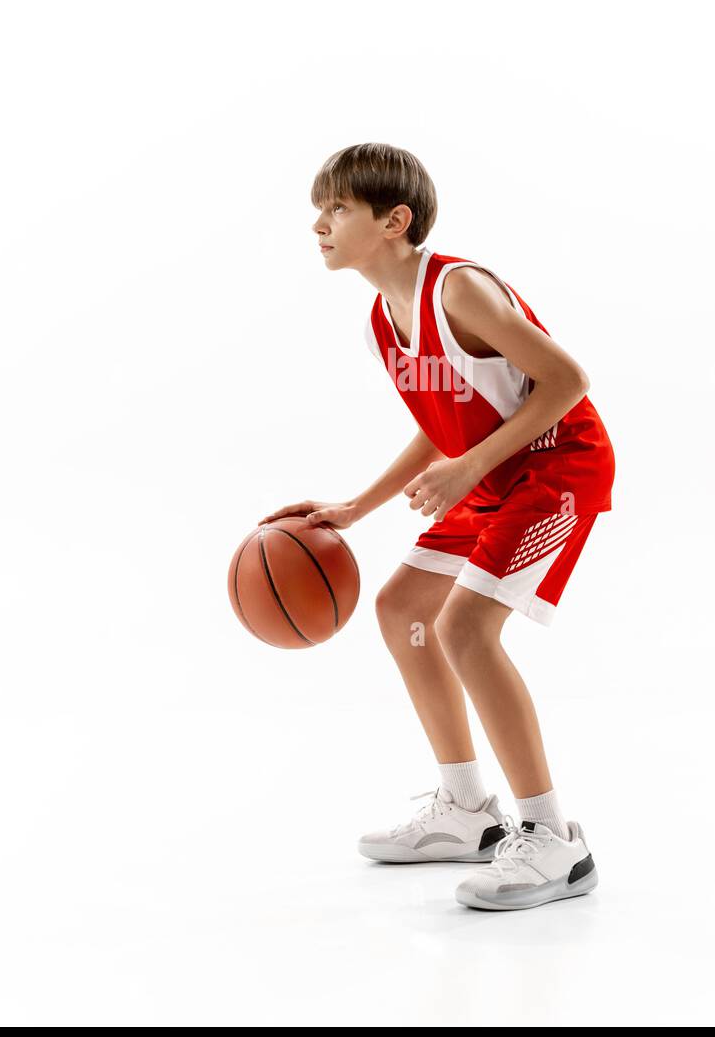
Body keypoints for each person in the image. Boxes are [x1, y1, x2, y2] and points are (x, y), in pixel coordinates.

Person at [260, 143, 615, 911]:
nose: (318, 223)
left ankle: (553, 838)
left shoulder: (458, 290)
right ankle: (464, 811)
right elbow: (442, 421)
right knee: (401, 609)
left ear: (395, 220)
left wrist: (464, 468)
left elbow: (566, 381)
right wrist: (357, 507)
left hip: (557, 468)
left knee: (465, 630)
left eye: (337, 209)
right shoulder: (382, 322)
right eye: (318, 209)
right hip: (493, 472)